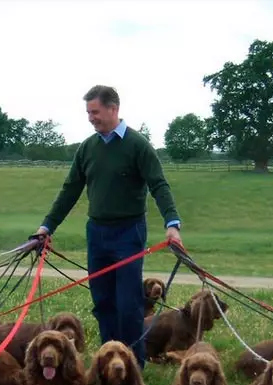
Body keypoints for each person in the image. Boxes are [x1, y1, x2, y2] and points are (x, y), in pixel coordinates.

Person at [33, 84, 182, 369]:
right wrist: (47, 227)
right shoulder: (87, 148)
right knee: (103, 302)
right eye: (88, 112)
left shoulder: (137, 145)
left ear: (113, 109)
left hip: (129, 233)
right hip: (97, 233)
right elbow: (69, 190)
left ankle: (134, 364)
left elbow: (159, 185)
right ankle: (107, 361)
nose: (91, 118)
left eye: (95, 112)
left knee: (128, 305)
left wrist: (172, 224)